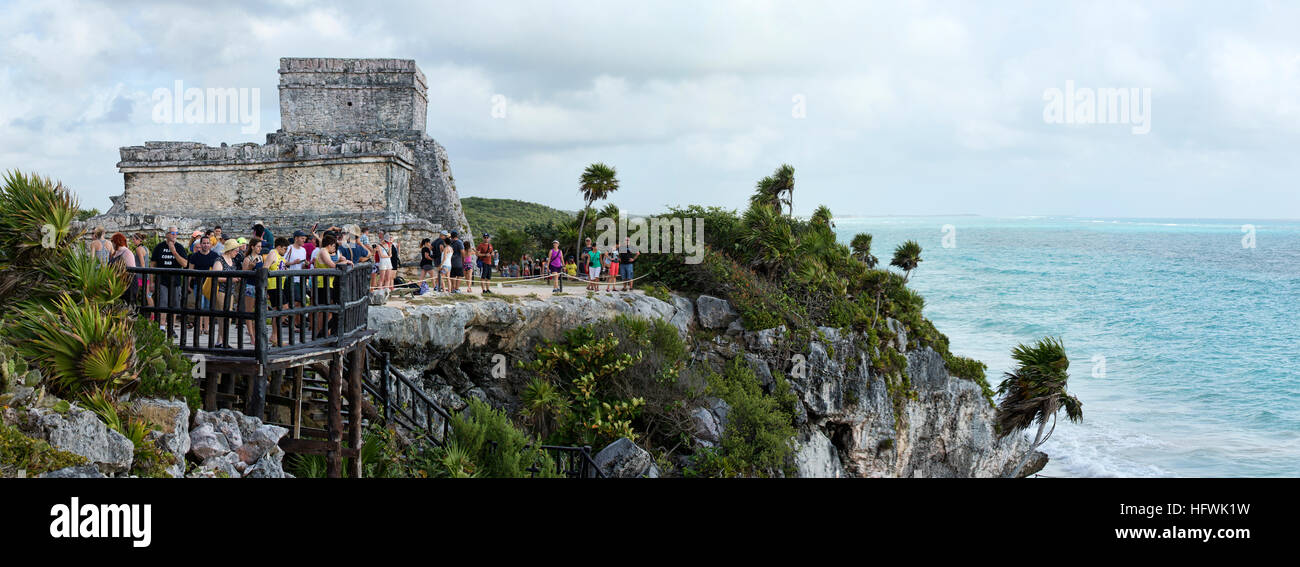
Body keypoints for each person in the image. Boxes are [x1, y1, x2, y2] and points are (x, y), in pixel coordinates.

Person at [151, 226, 190, 333]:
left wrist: (174, 252)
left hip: (176, 281)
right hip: (162, 280)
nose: (174, 235)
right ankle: (162, 327)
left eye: (176, 233)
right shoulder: (159, 247)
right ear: (167, 234)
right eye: (172, 233)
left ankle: (171, 328)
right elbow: (152, 264)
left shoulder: (180, 247)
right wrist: (152, 281)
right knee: (162, 303)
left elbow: (185, 264)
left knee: (174, 304)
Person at [311, 233, 352, 336]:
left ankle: (323, 332)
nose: (334, 249)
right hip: (322, 284)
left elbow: (329, 265)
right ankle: (320, 332)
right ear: (329, 245)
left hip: (327, 283)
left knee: (326, 308)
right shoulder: (323, 251)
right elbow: (332, 266)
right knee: (322, 309)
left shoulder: (324, 251)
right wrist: (345, 262)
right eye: (333, 246)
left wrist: (340, 260)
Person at [186, 235, 222, 336]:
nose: (206, 245)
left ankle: (206, 327)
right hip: (199, 284)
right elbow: (190, 270)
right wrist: (188, 284)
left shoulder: (215, 256)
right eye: (204, 243)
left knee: (208, 306)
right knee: (200, 305)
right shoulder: (195, 256)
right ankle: (199, 327)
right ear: (200, 244)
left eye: (207, 243)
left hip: (210, 284)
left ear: (210, 244)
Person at [131, 233, 152, 308]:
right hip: (146, 275)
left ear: (139, 240)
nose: (133, 241)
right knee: (148, 295)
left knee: (133, 294)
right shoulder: (146, 248)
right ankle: (153, 315)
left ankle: (132, 311)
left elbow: (142, 263)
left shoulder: (138, 249)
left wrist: (143, 276)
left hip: (140, 276)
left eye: (134, 239)